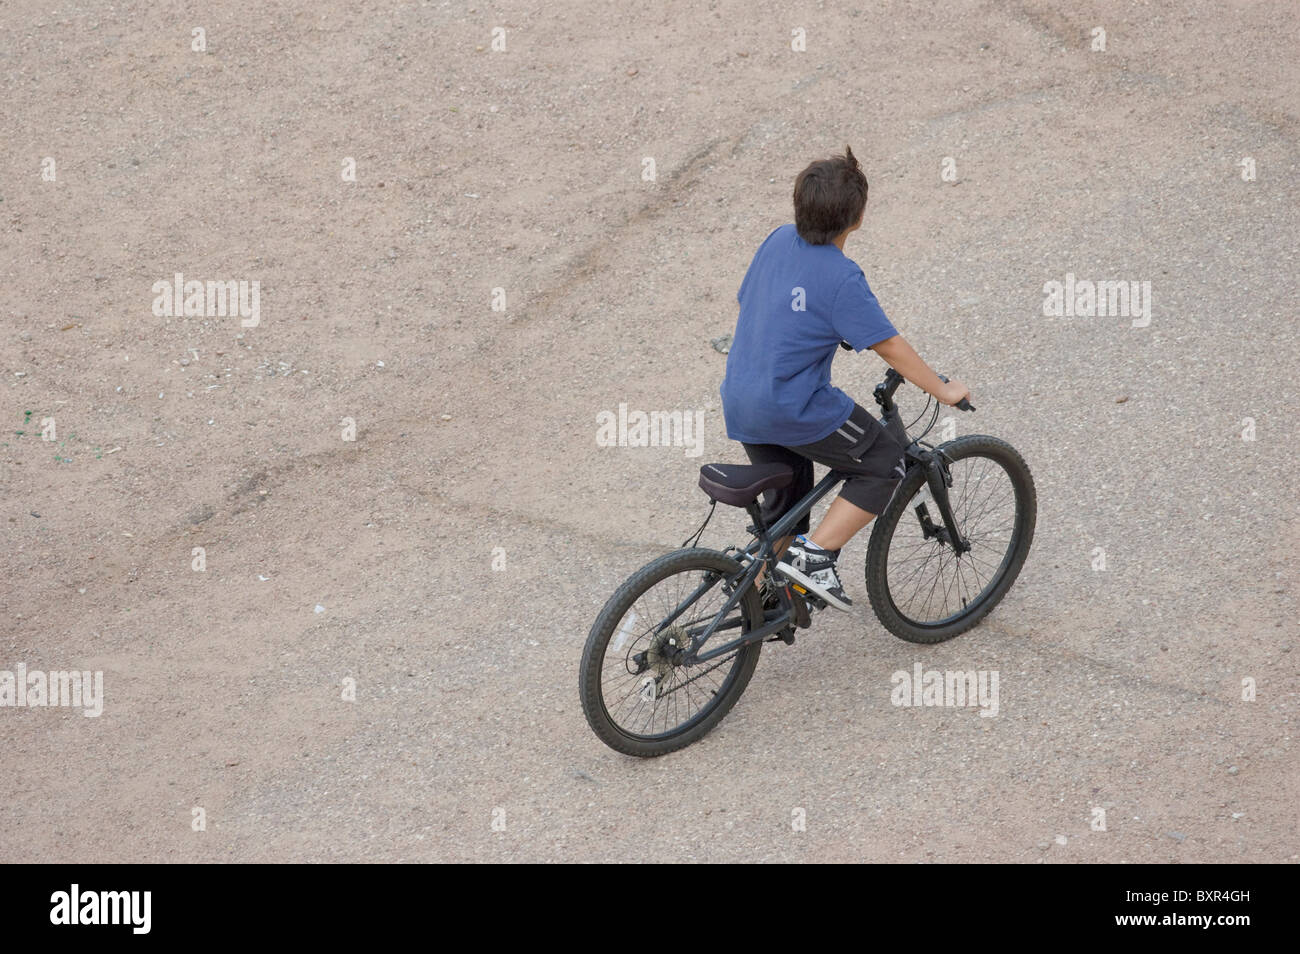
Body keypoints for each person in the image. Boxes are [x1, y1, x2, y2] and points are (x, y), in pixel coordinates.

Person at [720, 146, 971, 611]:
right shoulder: (841, 278)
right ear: (857, 218)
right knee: (883, 460)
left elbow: (757, 304)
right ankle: (816, 559)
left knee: (786, 511)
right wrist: (943, 388)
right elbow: (889, 345)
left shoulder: (776, 240)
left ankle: (755, 602)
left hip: (742, 400)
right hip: (793, 407)